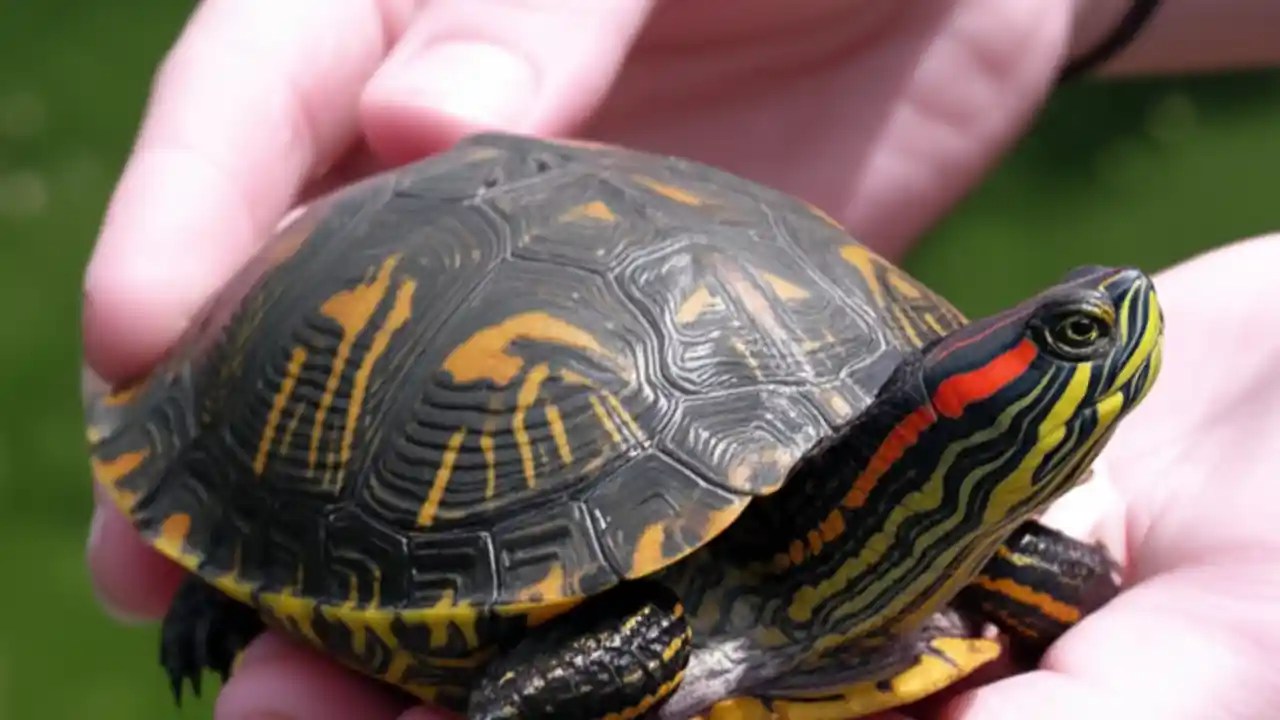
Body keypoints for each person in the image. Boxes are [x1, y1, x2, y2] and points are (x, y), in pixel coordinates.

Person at [81, 2, 1280, 718]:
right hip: (396, 381)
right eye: (1066, 339)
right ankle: (231, 549)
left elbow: (1005, 554)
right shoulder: (663, 624)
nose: (1112, 310)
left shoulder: (976, 559)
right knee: (645, 636)